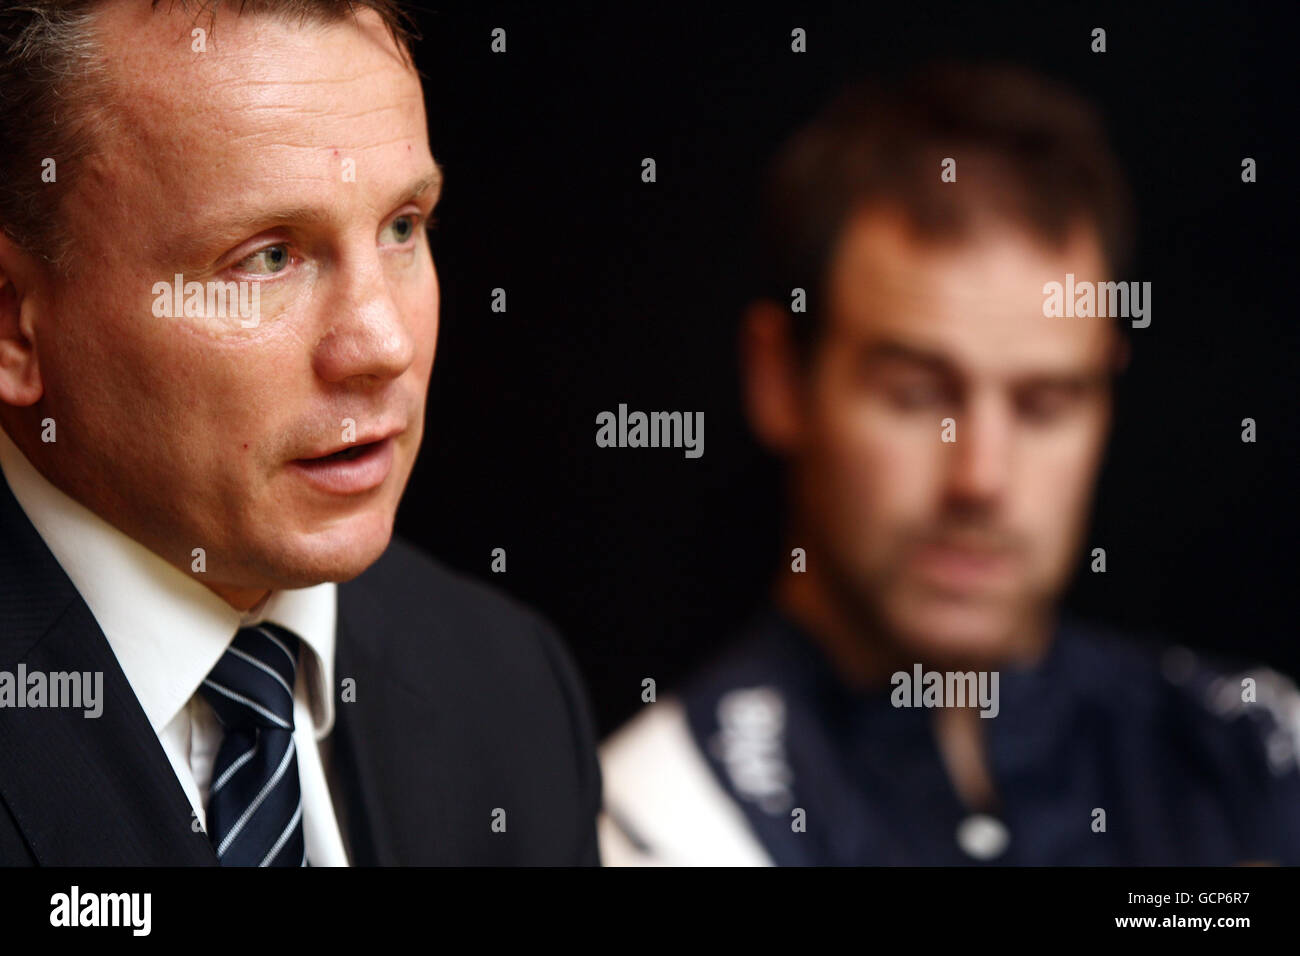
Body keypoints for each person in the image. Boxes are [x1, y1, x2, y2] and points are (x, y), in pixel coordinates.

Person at [598, 64, 1300, 865]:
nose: (981, 479)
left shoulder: (1254, 755)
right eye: (917, 394)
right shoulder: (653, 823)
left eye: (1044, 404)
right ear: (780, 379)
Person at [0, 0, 600, 866]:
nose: (383, 345)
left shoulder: (507, 688)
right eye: (269, 257)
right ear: (14, 324)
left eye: (403, 227)